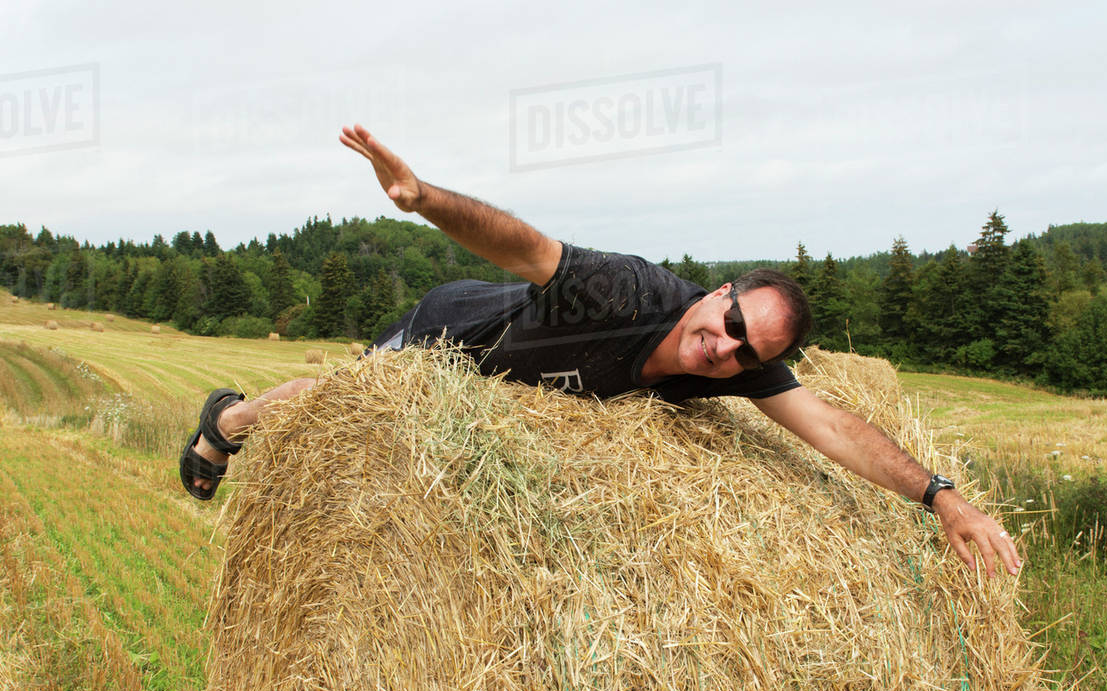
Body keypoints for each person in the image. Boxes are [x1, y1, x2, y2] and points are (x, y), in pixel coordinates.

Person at [180, 124, 1021, 580]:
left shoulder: (739, 364)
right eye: (730, 321)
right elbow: (524, 246)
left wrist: (941, 497)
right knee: (341, 400)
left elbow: (836, 430)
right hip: (459, 340)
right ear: (717, 291)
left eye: (744, 351)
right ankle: (231, 420)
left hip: (513, 401)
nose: (723, 349)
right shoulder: (629, 290)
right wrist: (422, 198)